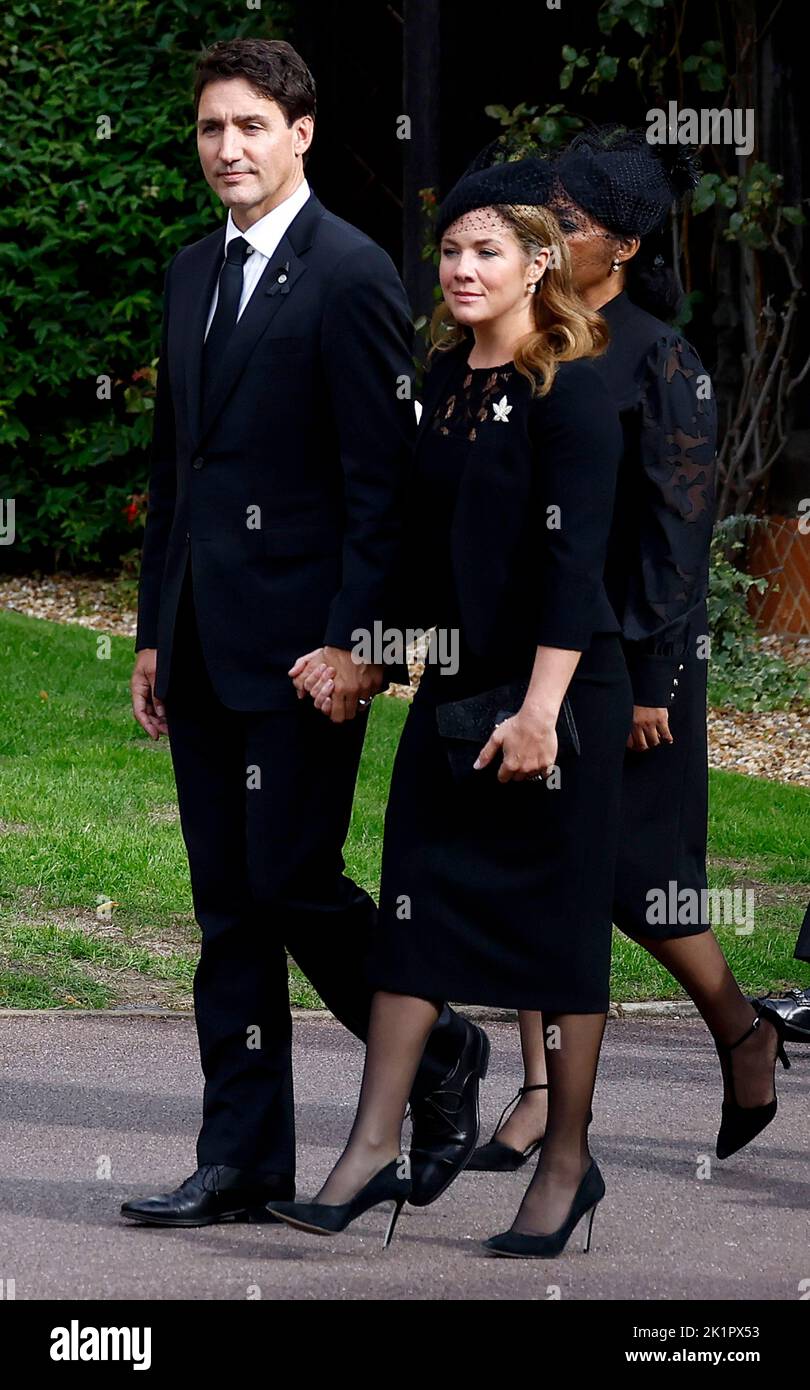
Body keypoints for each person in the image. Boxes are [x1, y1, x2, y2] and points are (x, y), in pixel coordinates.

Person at [121, 37, 485, 1228]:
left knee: (293, 883)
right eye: (213, 128)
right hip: (200, 642)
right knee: (229, 905)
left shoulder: (352, 274)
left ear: (304, 133)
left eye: (252, 128)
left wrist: (363, 643)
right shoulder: (187, 274)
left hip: (306, 655)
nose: (229, 148)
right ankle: (241, 1159)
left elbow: (384, 487)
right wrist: (150, 634)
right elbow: (177, 471)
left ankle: (434, 1051)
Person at [267, 155, 634, 1258]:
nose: (464, 268)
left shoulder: (574, 390)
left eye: (489, 251)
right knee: (415, 911)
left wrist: (538, 710)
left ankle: (566, 1165)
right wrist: (370, 658)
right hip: (459, 694)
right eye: (453, 250)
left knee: (559, 939)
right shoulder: (444, 376)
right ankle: (372, 1147)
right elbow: (430, 565)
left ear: (538, 263)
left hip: (559, 700)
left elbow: (574, 575)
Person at [465, 128, 793, 1177]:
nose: (547, 241)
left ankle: (742, 1028)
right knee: (535, 871)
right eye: (543, 221)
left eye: (567, 226)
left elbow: (678, 534)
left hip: (634, 657)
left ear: (629, 247)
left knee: (640, 879)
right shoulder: (526, 339)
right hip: (529, 646)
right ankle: (538, 1096)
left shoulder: (661, 354)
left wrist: (653, 678)